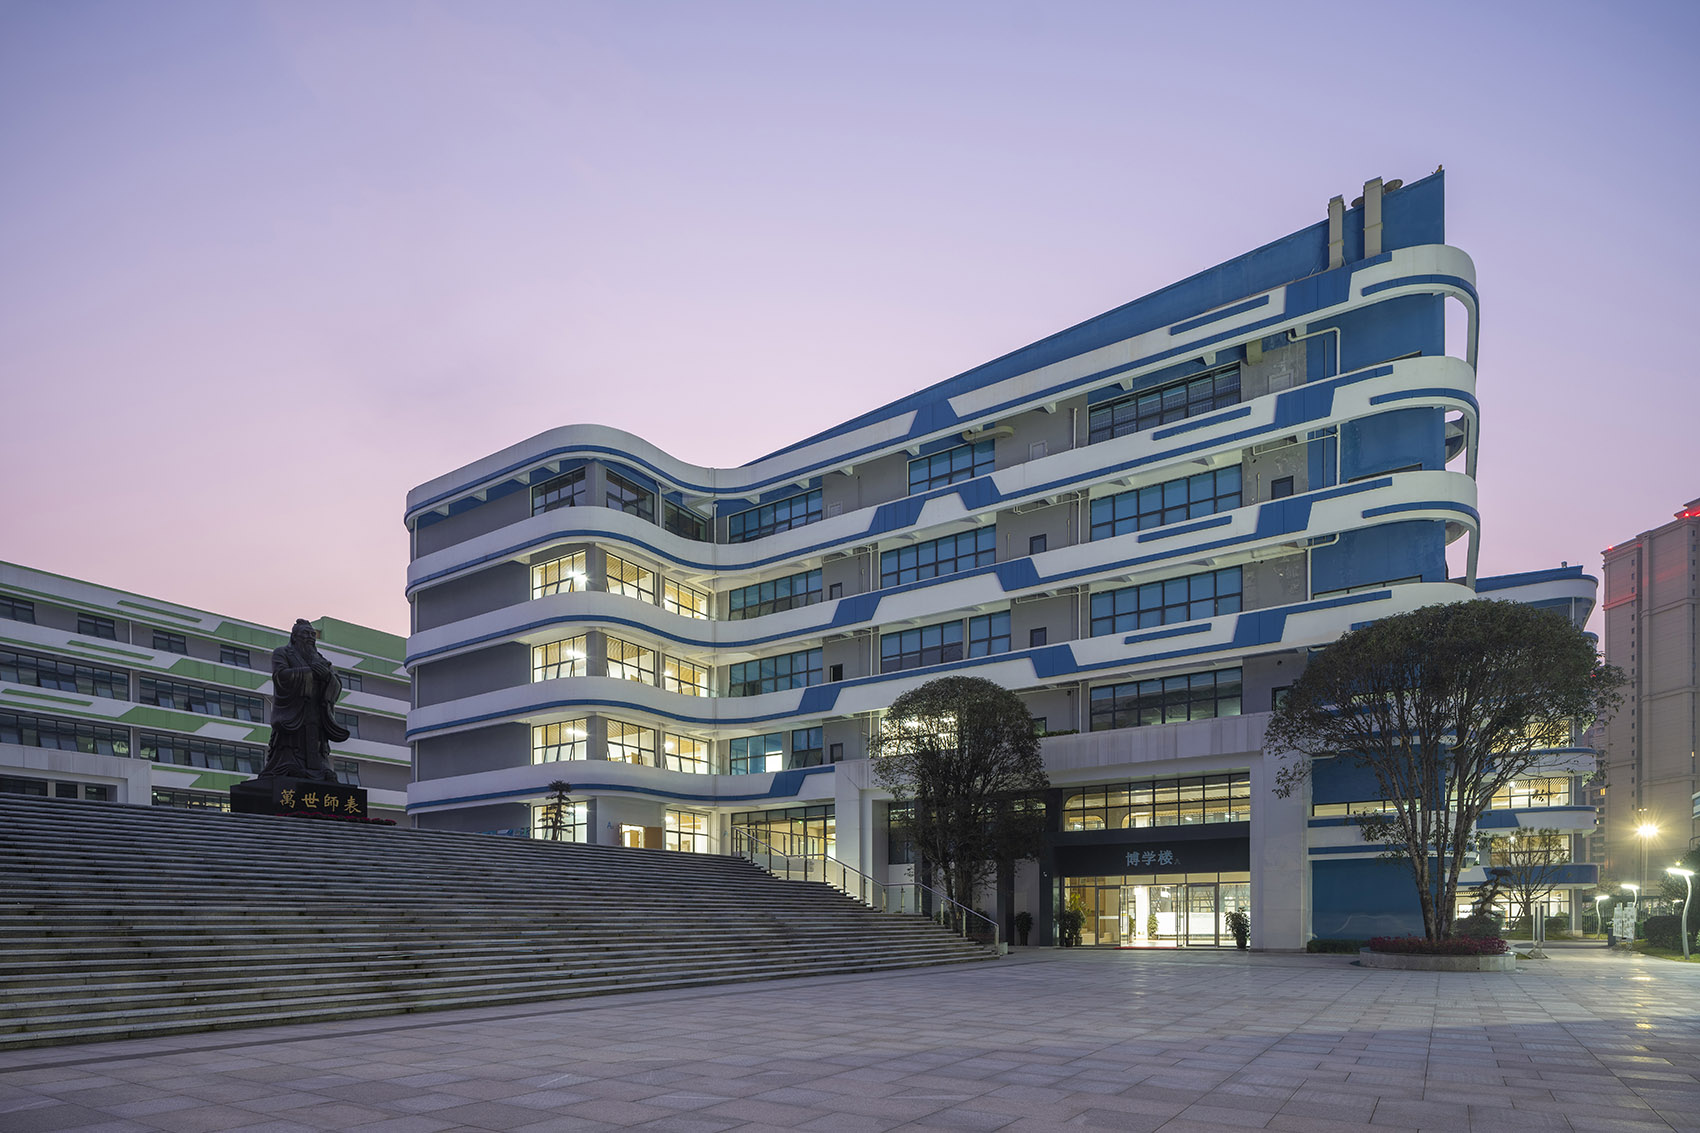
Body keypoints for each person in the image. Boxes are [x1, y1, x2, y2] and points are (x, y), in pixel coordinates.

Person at [259, 619, 349, 782]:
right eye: (305, 633)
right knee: (291, 744)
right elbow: (280, 676)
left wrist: (327, 676)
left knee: (317, 742)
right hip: (294, 709)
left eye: (312, 634)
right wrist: (308, 672)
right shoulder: (282, 653)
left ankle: (320, 765)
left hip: (317, 709)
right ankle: (289, 764)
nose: (310, 637)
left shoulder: (321, 659)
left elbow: (336, 682)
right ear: (294, 637)